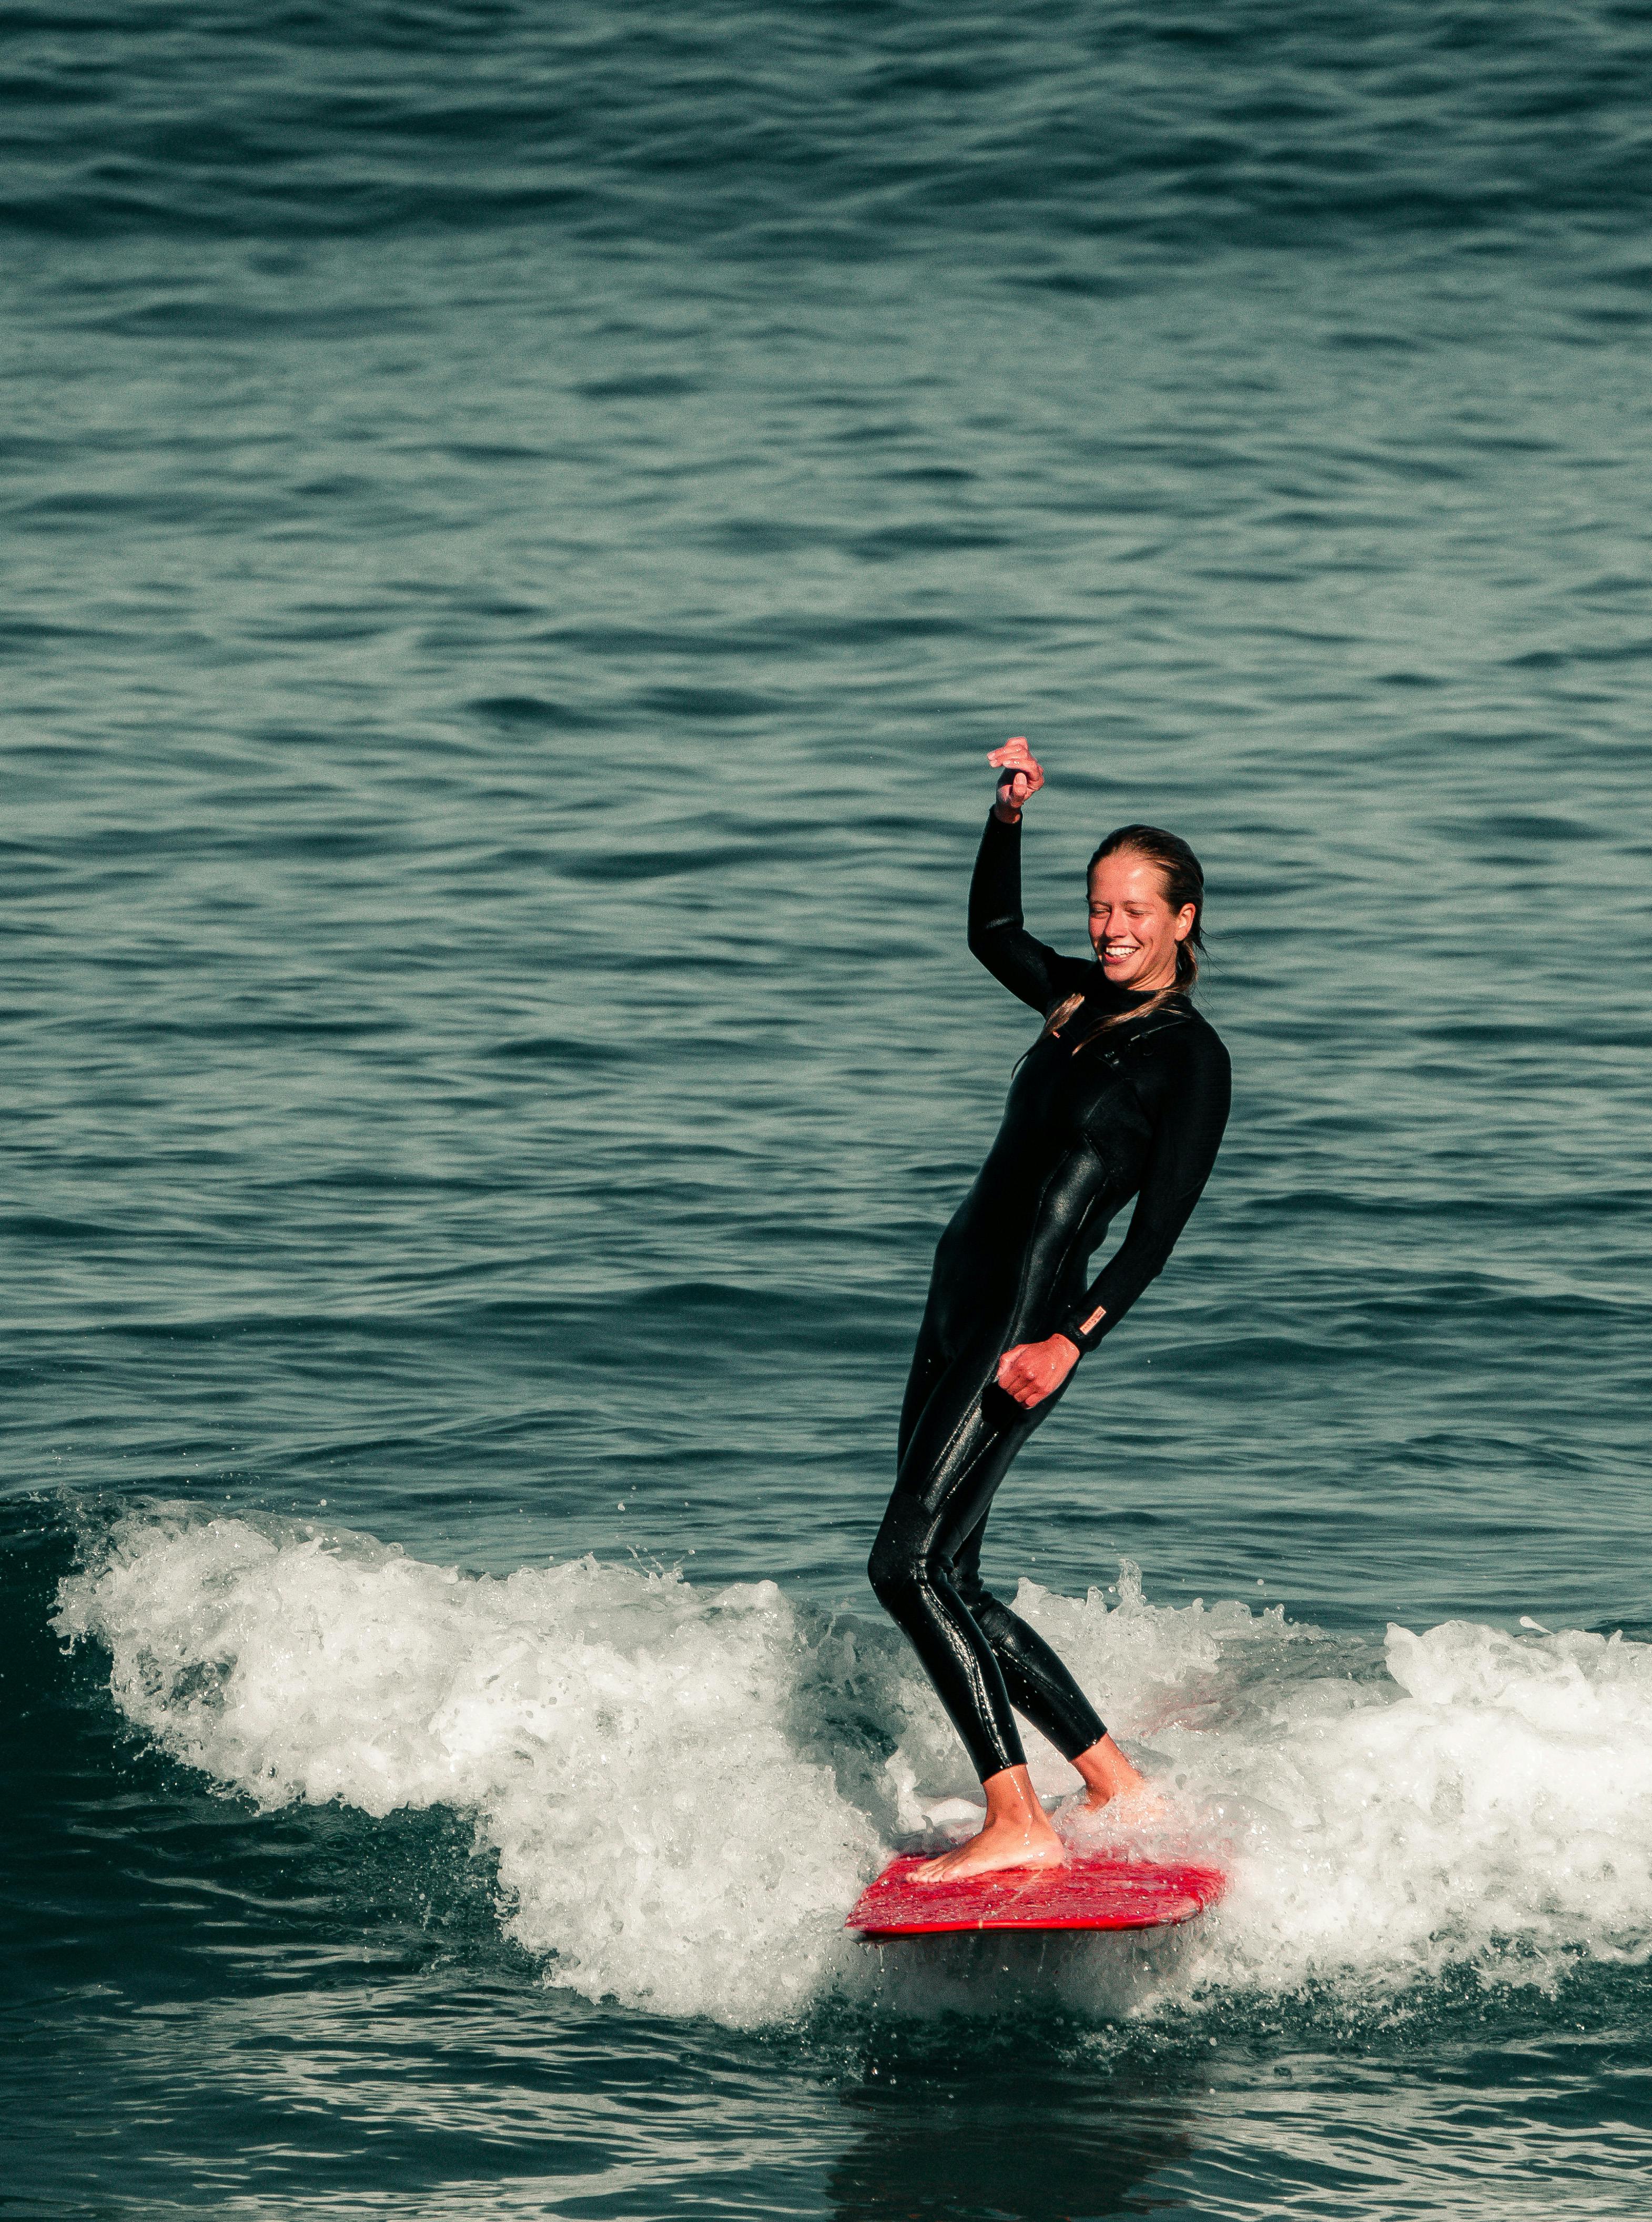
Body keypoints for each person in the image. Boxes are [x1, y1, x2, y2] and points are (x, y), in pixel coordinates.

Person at [868, 738, 1231, 1882]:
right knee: (950, 1572)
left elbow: (1155, 1233)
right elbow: (989, 932)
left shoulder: (1189, 1058)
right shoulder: (1072, 1002)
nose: (1111, 928)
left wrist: (1070, 1340)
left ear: (1181, 920)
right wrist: (1006, 817)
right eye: (1098, 908)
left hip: (1022, 1322)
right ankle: (1117, 1784)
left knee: (904, 1568)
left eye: (1134, 911)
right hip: (954, 1300)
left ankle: (1017, 1818)